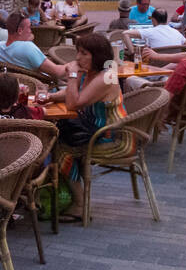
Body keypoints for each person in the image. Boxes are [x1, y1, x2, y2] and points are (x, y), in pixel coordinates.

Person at [46, 33, 127, 221]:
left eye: (84, 53)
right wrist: (48, 97)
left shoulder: (106, 77)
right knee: (55, 140)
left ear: (97, 56)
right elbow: (70, 93)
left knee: (60, 151)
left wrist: (73, 74)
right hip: (91, 128)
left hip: (110, 134)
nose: (77, 58)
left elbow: (74, 104)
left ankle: (80, 205)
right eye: (78, 52)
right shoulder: (90, 73)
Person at [0, 12, 69, 80]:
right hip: (42, 86)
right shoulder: (28, 48)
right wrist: (73, 64)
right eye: (29, 27)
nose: (31, 31)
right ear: (20, 31)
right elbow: (57, 72)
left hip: (16, 85)